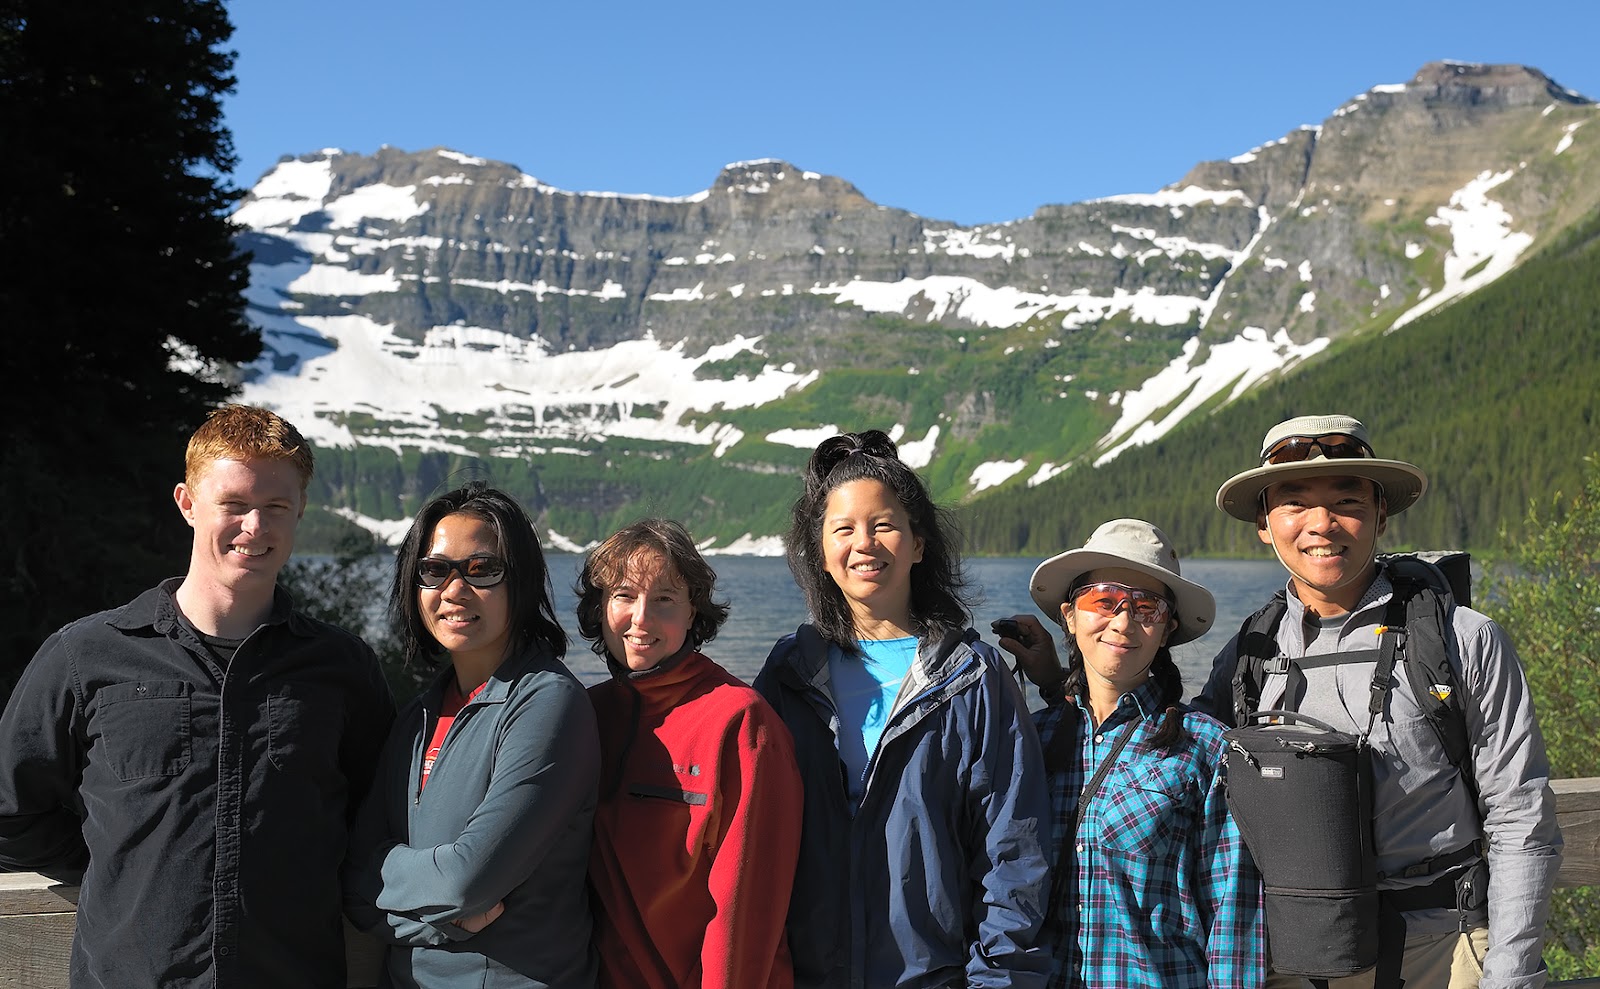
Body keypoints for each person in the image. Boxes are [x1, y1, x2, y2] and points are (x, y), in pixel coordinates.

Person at [0, 404, 396, 988]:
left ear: (300, 510)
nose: (255, 527)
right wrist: (112, 865)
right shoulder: (86, 655)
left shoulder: (342, 667)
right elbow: (10, 810)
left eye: (275, 507)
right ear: (187, 503)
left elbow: (380, 818)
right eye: (234, 505)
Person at [1195, 414, 1562, 988]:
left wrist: (1509, 974)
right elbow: (1180, 764)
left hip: (1451, 947)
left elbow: (1520, 815)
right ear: (1264, 524)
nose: (1322, 524)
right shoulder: (1247, 654)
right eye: (1294, 503)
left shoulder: (1461, 638)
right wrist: (1058, 683)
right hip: (1298, 952)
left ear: (1380, 515)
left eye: (1347, 501)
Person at [752, 429, 1052, 989]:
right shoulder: (788, 677)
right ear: (820, 553)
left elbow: (1013, 855)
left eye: (884, 525)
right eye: (843, 529)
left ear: (918, 544)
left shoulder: (972, 679)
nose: (863, 544)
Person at [343, 482, 600, 989]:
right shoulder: (416, 716)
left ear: (520, 582)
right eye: (435, 571)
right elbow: (353, 884)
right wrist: (442, 921)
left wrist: (407, 888)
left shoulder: (548, 704)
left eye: (483, 570)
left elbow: (467, 880)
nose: (455, 591)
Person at [996, 518, 1266, 989]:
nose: (1122, 621)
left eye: (1146, 608)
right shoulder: (1029, 740)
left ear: (1166, 630)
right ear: (1069, 615)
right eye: (1104, 600)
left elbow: (1234, 917)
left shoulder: (1207, 748)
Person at [576, 518, 804, 989]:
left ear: (692, 612)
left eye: (663, 599)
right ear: (599, 609)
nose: (641, 618)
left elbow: (748, 906)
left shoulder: (740, 721)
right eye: (623, 596)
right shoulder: (585, 715)